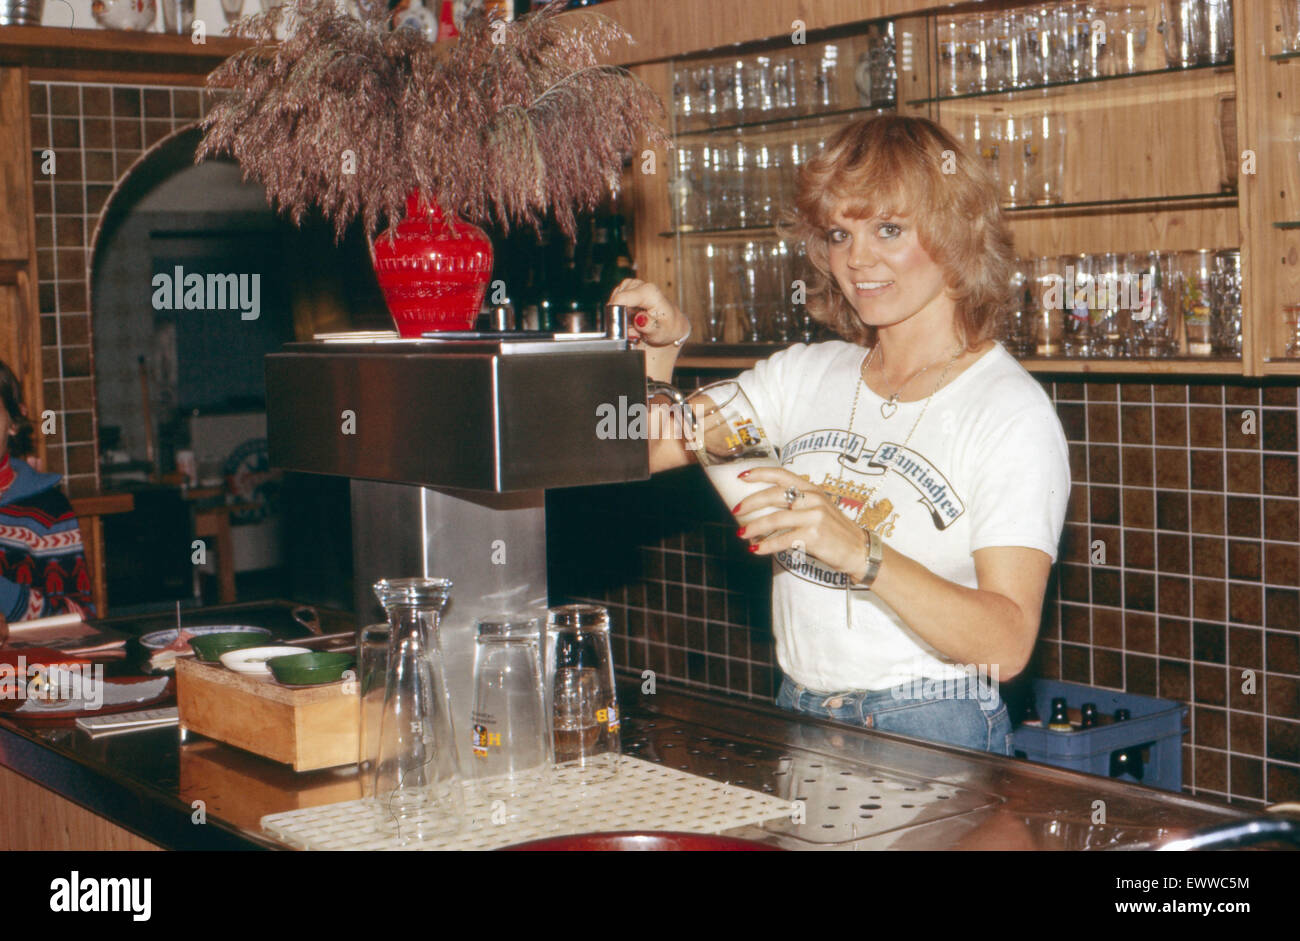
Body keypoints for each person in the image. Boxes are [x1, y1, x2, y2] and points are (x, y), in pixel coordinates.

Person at [610, 115, 1070, 754]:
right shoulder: (806, 375)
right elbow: (636, 445)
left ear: (956, 233)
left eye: (888, 229)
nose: (857, 259)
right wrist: (659, 360)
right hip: (800, 709)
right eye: (838, 233)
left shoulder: (1008, 411)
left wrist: (860, 551)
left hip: (930, 725)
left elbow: (1009, 641)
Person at [0, 359, 94, 628]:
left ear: (13, 424)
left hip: (25, 667)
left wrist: (6, 598)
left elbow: (80, 618)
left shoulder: (46, 509)